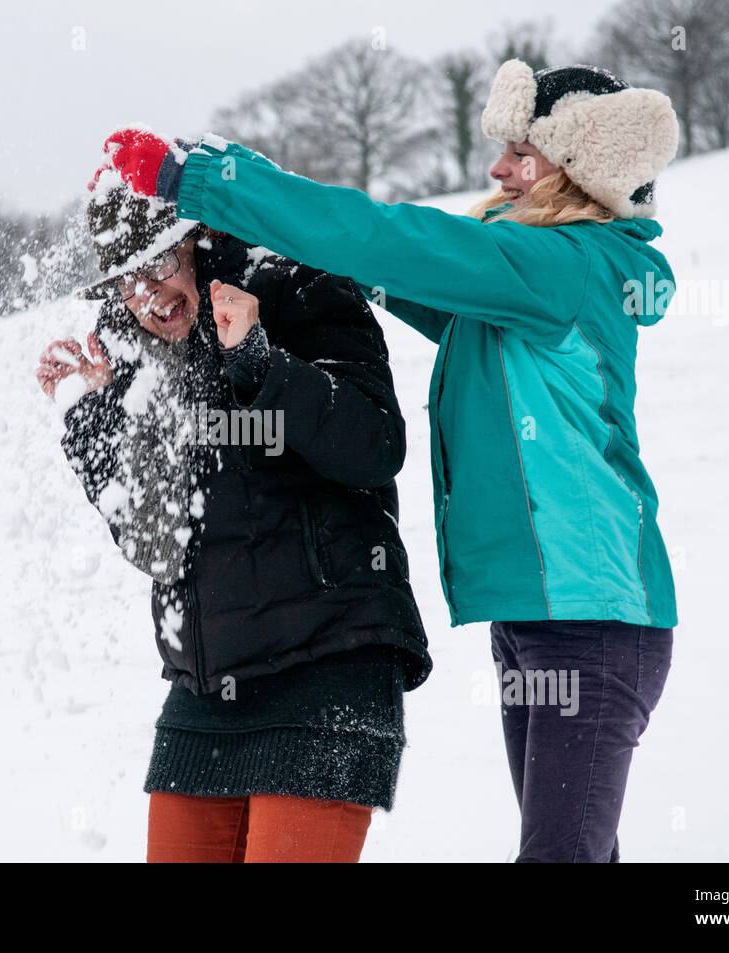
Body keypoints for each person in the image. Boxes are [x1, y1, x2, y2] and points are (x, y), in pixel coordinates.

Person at [99, 60, 681, 862]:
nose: (497, 168)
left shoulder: (562, 269)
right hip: (538, 622)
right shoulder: (524, 281)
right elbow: (378, 260)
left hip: (596, 617)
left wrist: (201, 181)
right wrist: (263, 189)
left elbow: (390, 241)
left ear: (580, 170)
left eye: (522, 153)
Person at [37, 170, 432, 862]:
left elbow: (376, 445)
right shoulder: (133, 353)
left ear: (197, 237)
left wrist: (258, 361)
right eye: (123, 281)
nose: (145, 296)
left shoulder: (293, 282)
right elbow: (156, 543)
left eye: (158, 263)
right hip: (207, 691)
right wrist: (99, 416)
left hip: (329, 664)